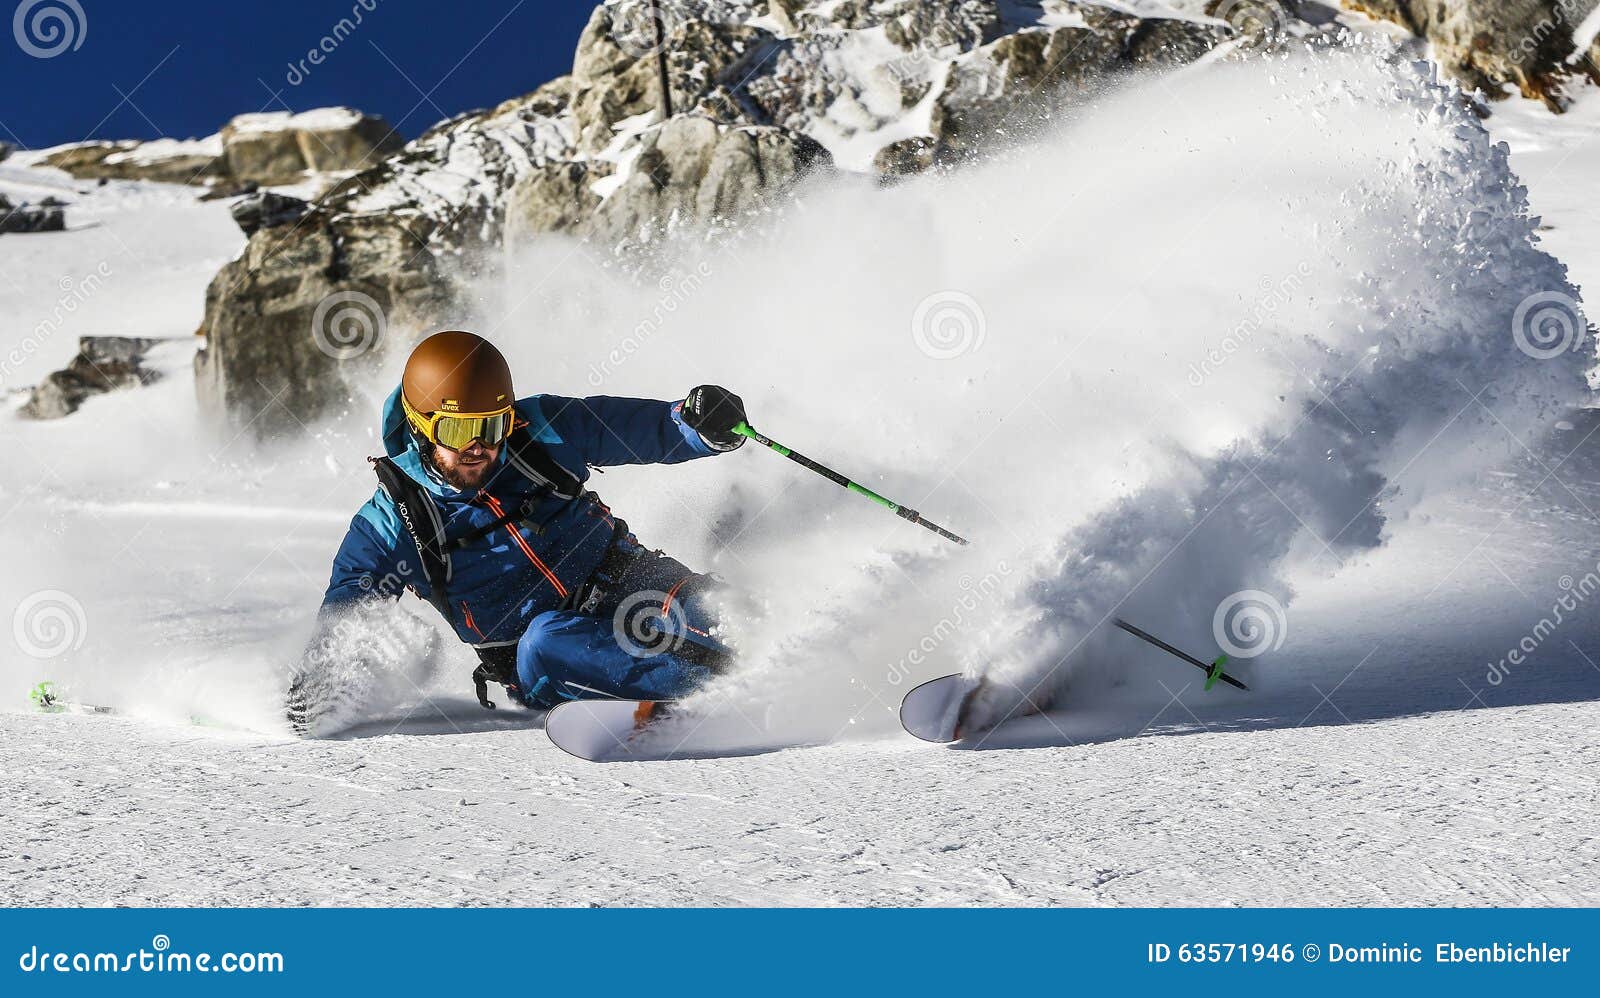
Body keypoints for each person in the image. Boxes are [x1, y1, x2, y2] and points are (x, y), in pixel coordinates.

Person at [288, 329, 747, 734]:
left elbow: (645, 429)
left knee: (730, 614)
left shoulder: (540, 432)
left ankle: (763, 662)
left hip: (639, 586)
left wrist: (699, 424)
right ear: (421, 426)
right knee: (548, 637)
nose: (479, 447)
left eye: (492, 426)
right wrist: (318, 683)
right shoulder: (394, 522)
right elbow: (347, 610)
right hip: (552, 657)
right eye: (458, 430)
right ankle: (720, 691)